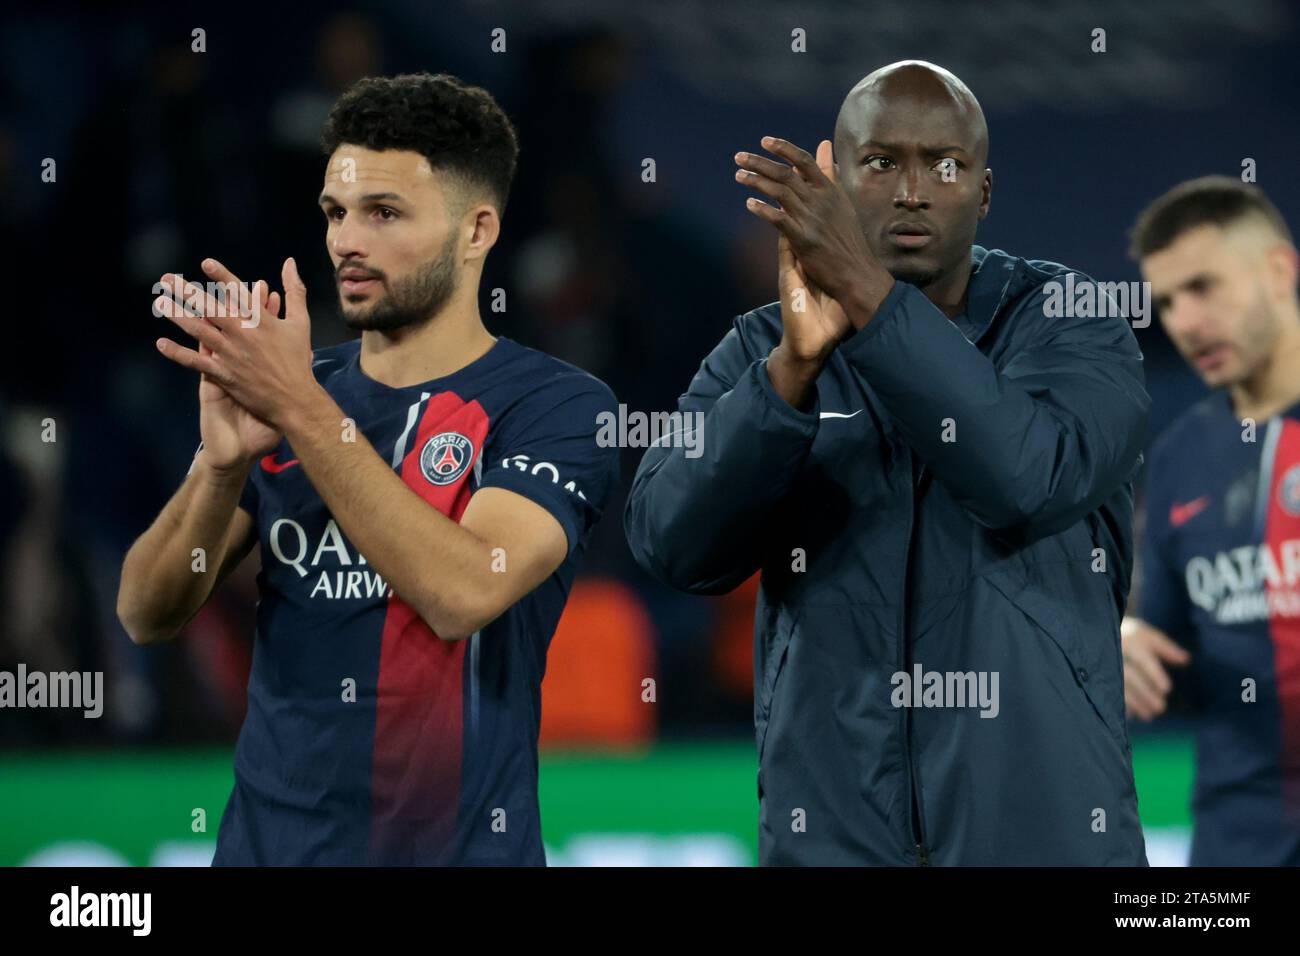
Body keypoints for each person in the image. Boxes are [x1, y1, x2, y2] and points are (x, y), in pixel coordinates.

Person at [624, 60, 1150, 865]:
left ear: (983, 191)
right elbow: (670, 543)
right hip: (832, 834)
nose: (912, 189)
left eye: (944, 165)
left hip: (1041, 833)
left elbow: (1025, 480)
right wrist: (788, 379)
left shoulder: (1073, 326)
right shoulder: (763, 349)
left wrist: (868, 299)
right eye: (879, 162)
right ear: (838, 181)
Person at [116, 73, 619, 865]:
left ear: (477, 229)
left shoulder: (556, 406)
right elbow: (146, 612)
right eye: (336, 213)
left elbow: (463, 593)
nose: (347, 240)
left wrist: (303, 411)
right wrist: (217, 471)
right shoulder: (287, 401)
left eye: (384, 213)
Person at [1124, 177, 1300, 865]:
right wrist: (1128, 640)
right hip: (1238, 847)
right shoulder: (1179, 458)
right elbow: (1168, 654)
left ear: (1279, 270)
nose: (1185, 323)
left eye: (1204, 288)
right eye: (1166, 301)